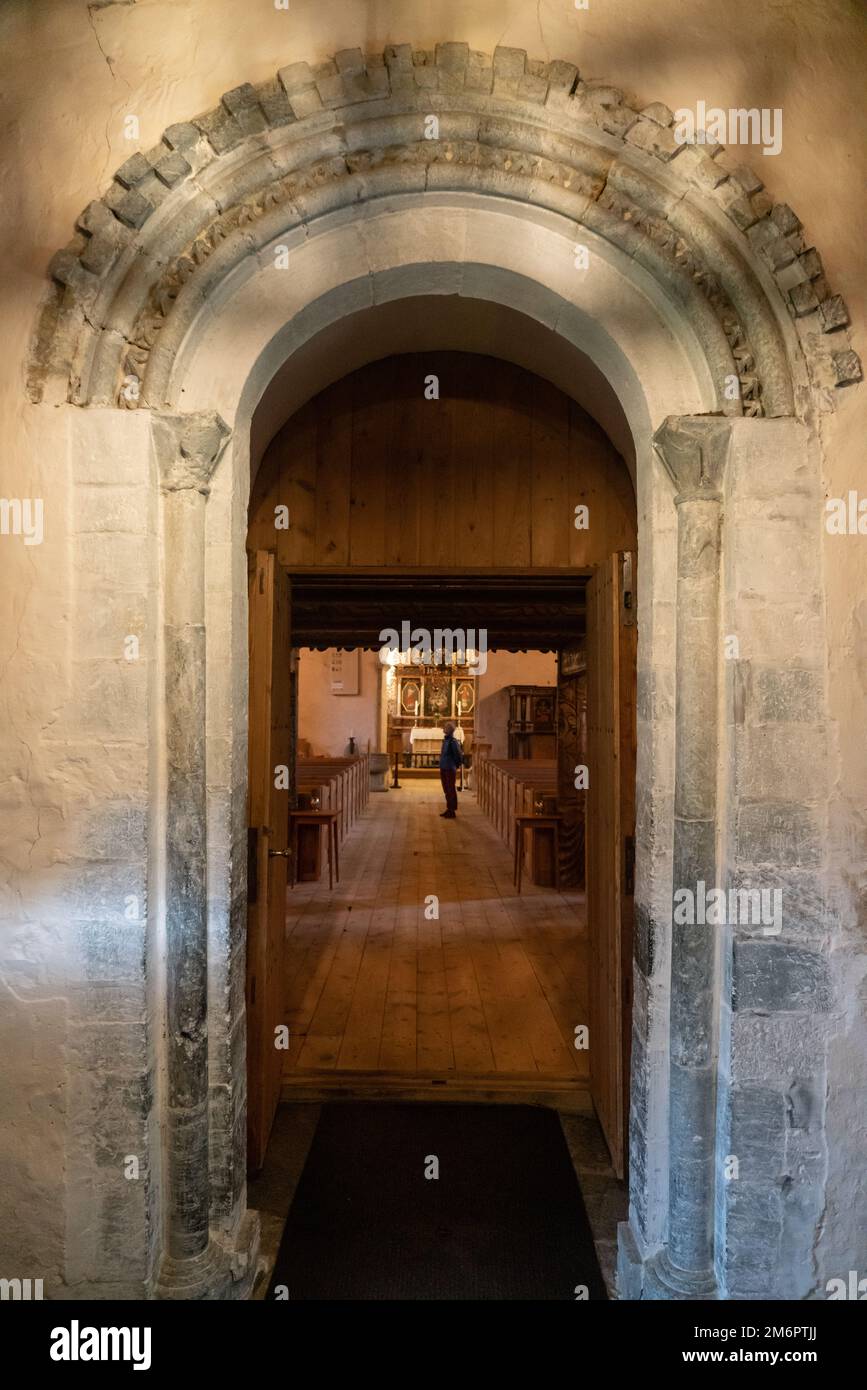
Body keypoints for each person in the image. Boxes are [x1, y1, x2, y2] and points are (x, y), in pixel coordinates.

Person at [439, 721, 463, 818]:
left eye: (445, 727)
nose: (443, 728)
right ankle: (449, 808)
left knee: (451, 789)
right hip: (444, 767)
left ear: (449, 730)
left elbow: (458, 755)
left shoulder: (453, 741)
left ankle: (452, 810)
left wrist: (456, 765)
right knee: (446, 789)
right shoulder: (445, 740)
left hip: (449, 767)